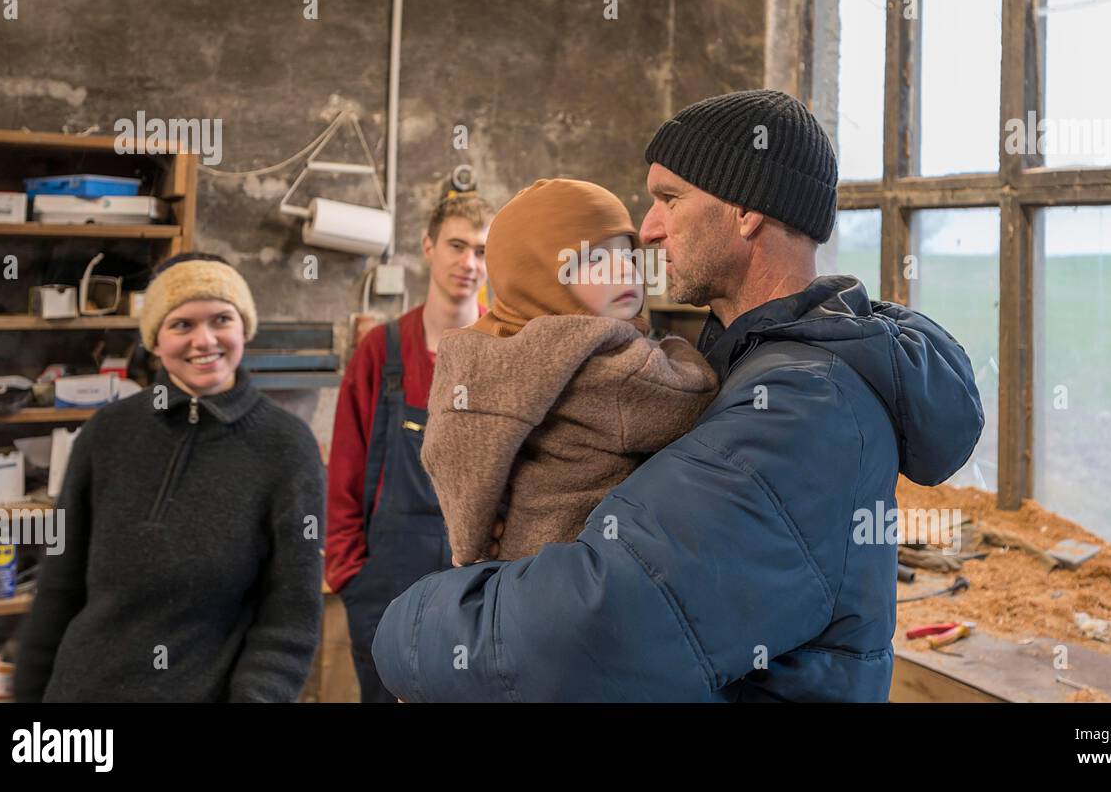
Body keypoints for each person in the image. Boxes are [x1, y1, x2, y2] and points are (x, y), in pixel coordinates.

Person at [371, 89, 985, 702]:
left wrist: (410, 626)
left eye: (669, 198)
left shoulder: (804, 408)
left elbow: (594, 629)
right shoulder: (747, 365)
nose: (649, 229)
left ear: (744, 211)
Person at [15, 253, 324, 702]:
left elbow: (290, 616)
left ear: (245, 329)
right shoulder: (106, 435)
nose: (205, 340)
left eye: (221, 319)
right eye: (182, 324)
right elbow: (58, 590)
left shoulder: (287, 448)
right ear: (155, 340)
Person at [421, 178, 718, 566]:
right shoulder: (604, 365)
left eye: (628, 255)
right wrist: (676, 346)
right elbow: (696, 393)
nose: (623, 271)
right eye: (594, 260)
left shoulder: (480, 353)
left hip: (520, 571)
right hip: (589, 578)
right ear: (538, 274)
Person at [325, 192, 493, 702]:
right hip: (385, 583)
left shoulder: (506, 349)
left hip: (477, 581)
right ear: (428, 247)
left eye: (482, 251)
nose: (468, 263)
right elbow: (344, 472)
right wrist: (351, 574)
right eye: (457, 245)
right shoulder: (383, 351)